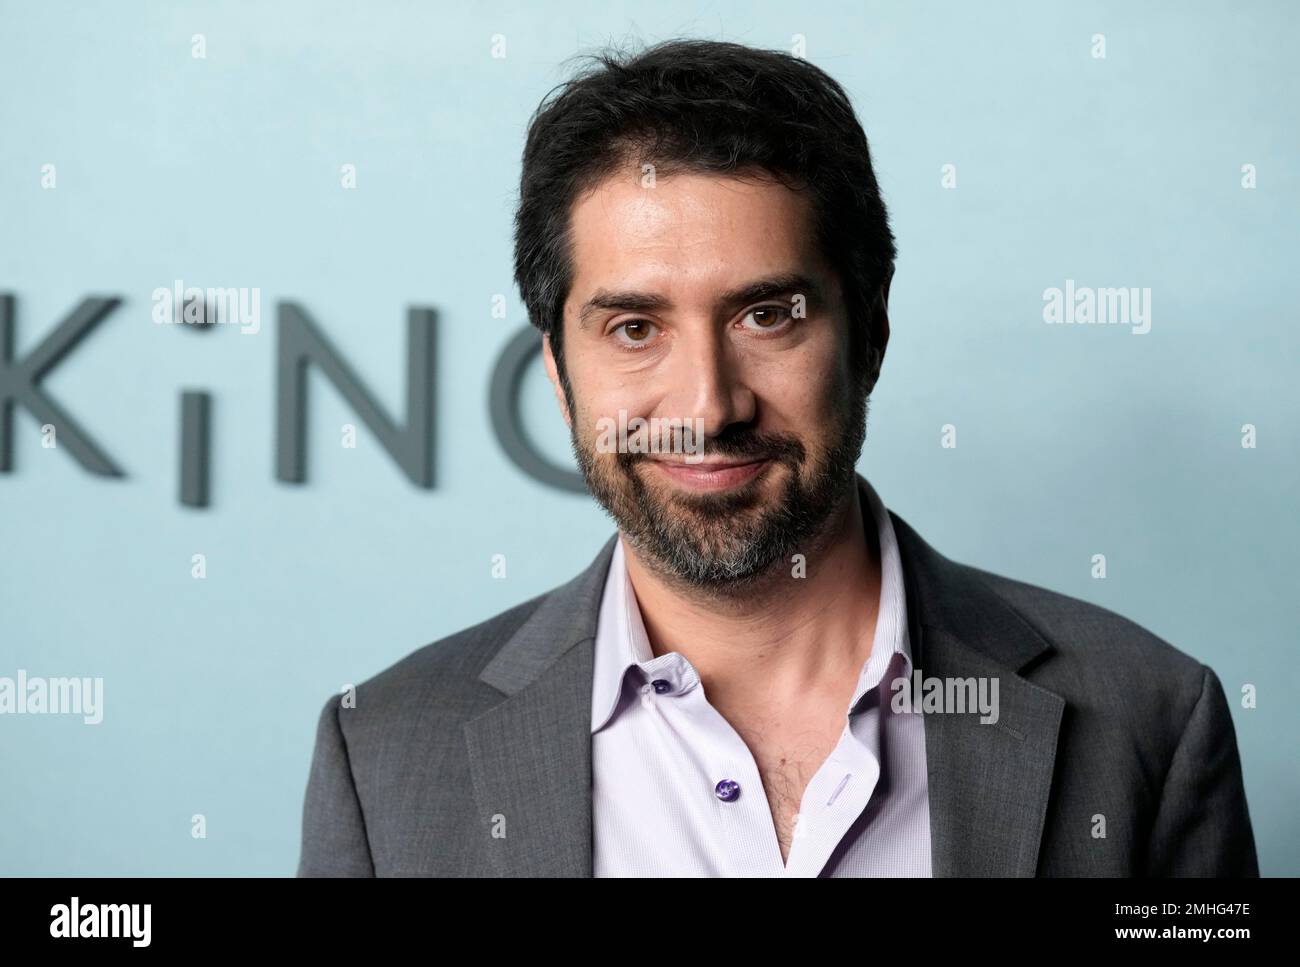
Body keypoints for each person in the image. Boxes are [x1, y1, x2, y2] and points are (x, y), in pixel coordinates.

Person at [297, 38, 1258, 877]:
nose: (709, 406)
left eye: (766, 316)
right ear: (558, 370)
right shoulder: (386, 761)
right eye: (634, 328)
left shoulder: (1145, 720)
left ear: (869, 332)